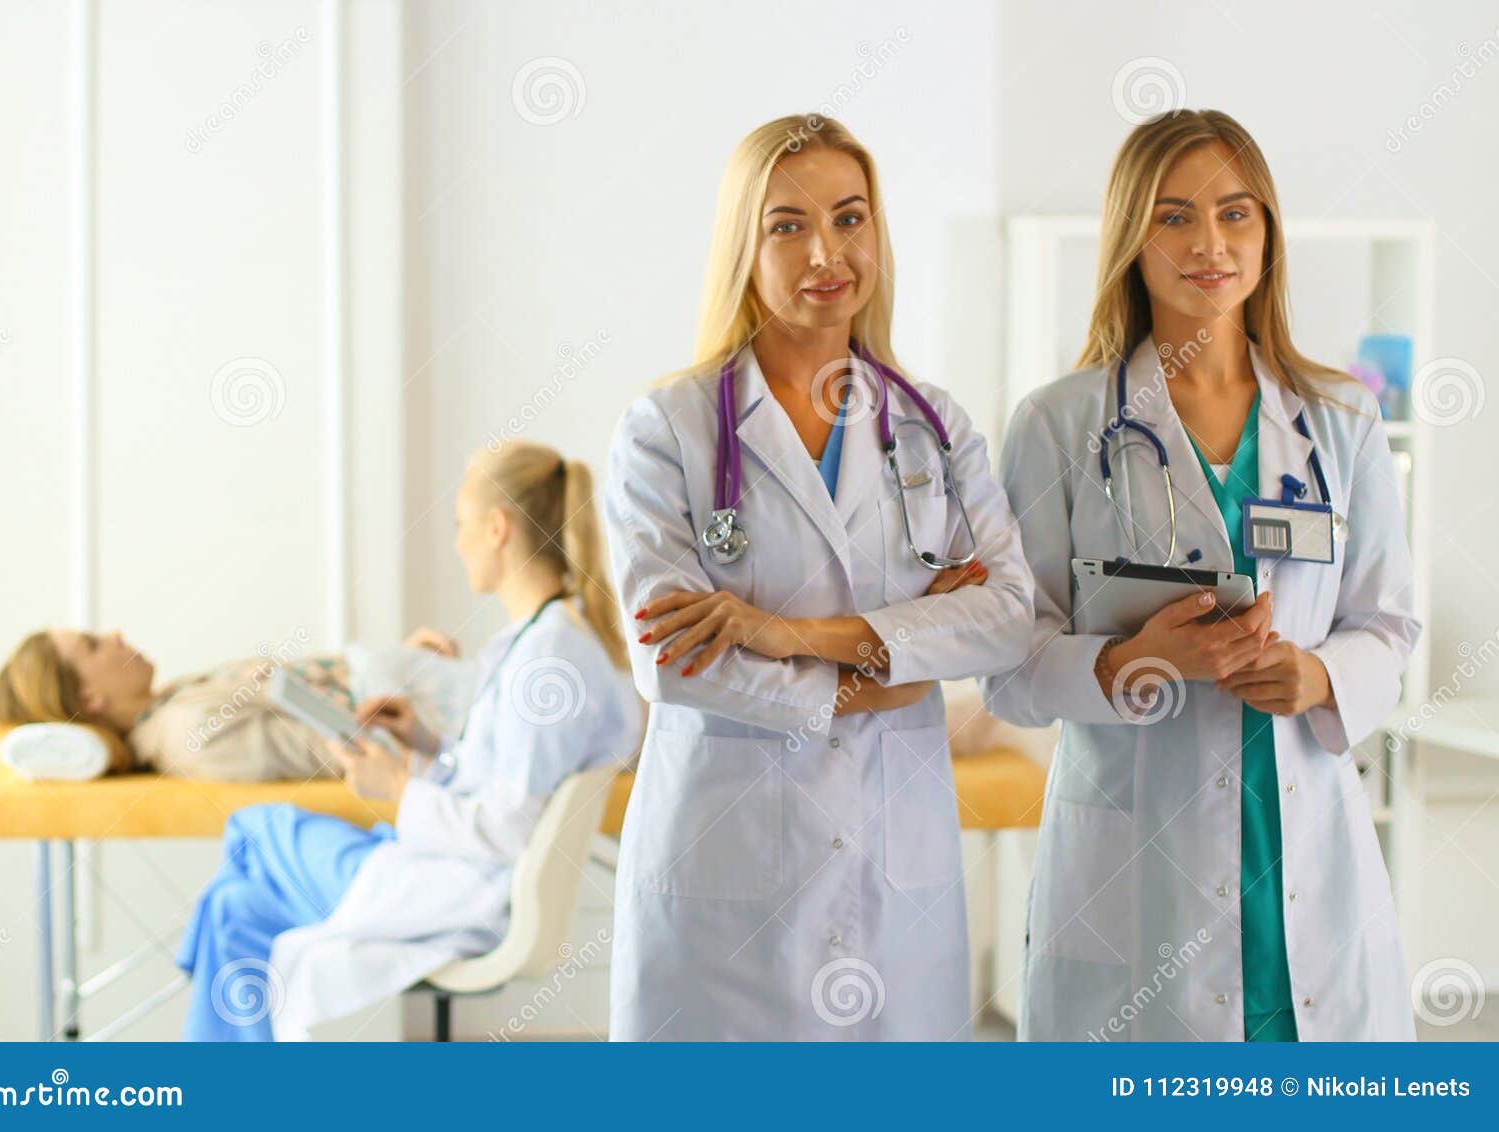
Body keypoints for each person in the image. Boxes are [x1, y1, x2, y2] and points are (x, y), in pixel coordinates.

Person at [983, 109, 1420, 1041]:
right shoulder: (1059, 425)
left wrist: (1322, 675)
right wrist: (1136, 660)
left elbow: (1389, 624)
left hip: (1304, 855)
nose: (1209, 244)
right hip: (1137, 879)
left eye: (1235, 213)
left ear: (1268, 231)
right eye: (1173, 217)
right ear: (1131, 239)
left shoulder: (1339, 419)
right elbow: (1010, 665)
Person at [602, 114, 1035, 1040]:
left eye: (849, 218)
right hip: (726, 869)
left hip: (893, 866)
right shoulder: (669, 428)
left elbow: (1005, 616)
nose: (825, 252)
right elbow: (670, 659)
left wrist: (785, 637)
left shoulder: (935, 426)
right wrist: (876, 674)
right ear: (743, 247)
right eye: (787, 225)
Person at [176, 441, 641, 1040]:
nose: (456, 543)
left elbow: (510, 829)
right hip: (442, 873)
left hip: (461, 894)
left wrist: (397, 786)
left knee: (251, 829)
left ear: (497, 528)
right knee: (231, 909)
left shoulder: (547, 664)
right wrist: (425, 744)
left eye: (460, 525)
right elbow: (499, 785)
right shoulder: (543, 645)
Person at [0, 624, 463, 781]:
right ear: (88, 699)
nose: (113, 635)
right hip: (447, 734)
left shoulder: (172, 702)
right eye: (92, 644)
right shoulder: (190, 731)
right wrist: (409, 686)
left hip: (429, 700)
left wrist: (406, 660)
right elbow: (352, 747)